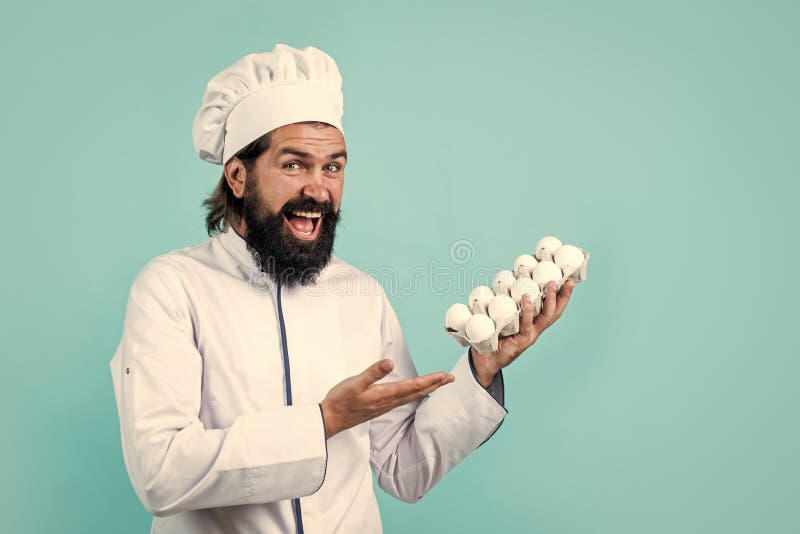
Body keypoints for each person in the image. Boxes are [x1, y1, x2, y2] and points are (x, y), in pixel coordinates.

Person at [109, 43, 576, 534]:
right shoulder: (170, 289)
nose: (318, 189)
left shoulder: (361, 293)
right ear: (238, 176)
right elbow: (160, 474)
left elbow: (403, 467)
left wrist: (483, 367)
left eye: (333, 167)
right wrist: (322, 423)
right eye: (294, 165)